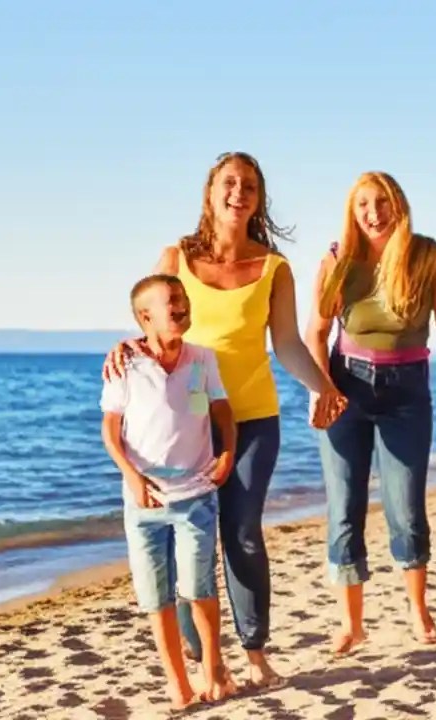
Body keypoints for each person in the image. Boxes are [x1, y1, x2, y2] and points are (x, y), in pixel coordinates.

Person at [103, 152, 346, 687]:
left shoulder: (274, 268)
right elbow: (150, 320)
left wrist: (323, 386)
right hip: (182, 424)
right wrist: (121, 347)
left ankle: (255, 652)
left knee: (241, 533)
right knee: (182, 536)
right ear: (210, 193)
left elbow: (285, 344)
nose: (239, 192)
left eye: (250, 186)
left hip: (253, 417)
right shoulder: (176, 256)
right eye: (229, 183)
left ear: (259, 199)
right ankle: (198, 643)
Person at [303, 171, 436, 655]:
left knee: (406, 508)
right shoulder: (337, 259)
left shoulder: (426, 255)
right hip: (344, 386)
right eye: (362, 206)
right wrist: (323, 389)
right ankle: (351, 625)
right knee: (344, 509)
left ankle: (418, 609)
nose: (373, 213)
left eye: (382, 202)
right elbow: (315, 333)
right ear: (351, 213)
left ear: (399, 204)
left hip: (406, 391)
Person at [100, 275, 238, 710]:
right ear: (145, 317)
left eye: (182, 298)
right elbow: (110, 431)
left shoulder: (202, 359)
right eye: (169, 301)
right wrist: (132, 477)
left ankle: (211, 668)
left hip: (196, 494)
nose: (180, 305)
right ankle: (177, 683)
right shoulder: (126, 365)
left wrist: (228, 453)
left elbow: (222, 413)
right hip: (144, 502)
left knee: (199, 588)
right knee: (156, 596)